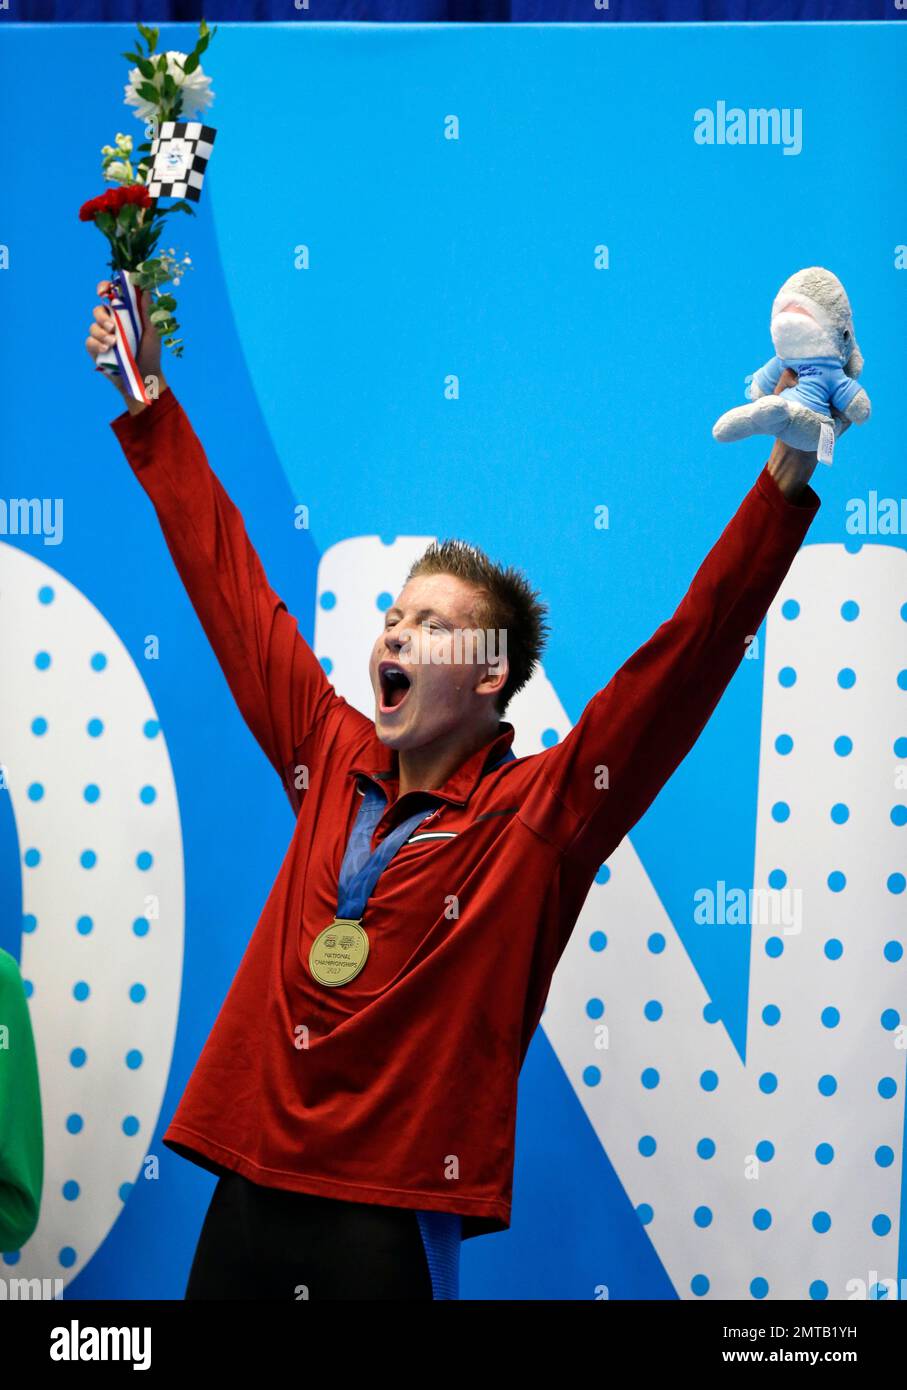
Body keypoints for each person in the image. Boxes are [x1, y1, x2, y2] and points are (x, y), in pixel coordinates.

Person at [86, 282, 834, 1300]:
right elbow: (227, 582)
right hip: (246, 1194)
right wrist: (149, 409)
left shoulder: (543, 814)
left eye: (428, 624)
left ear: (489, 673)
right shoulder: (325, 747)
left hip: (385, 1229)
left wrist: (787, 471)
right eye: (391, 616)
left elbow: (689, 653)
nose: (391, 632)